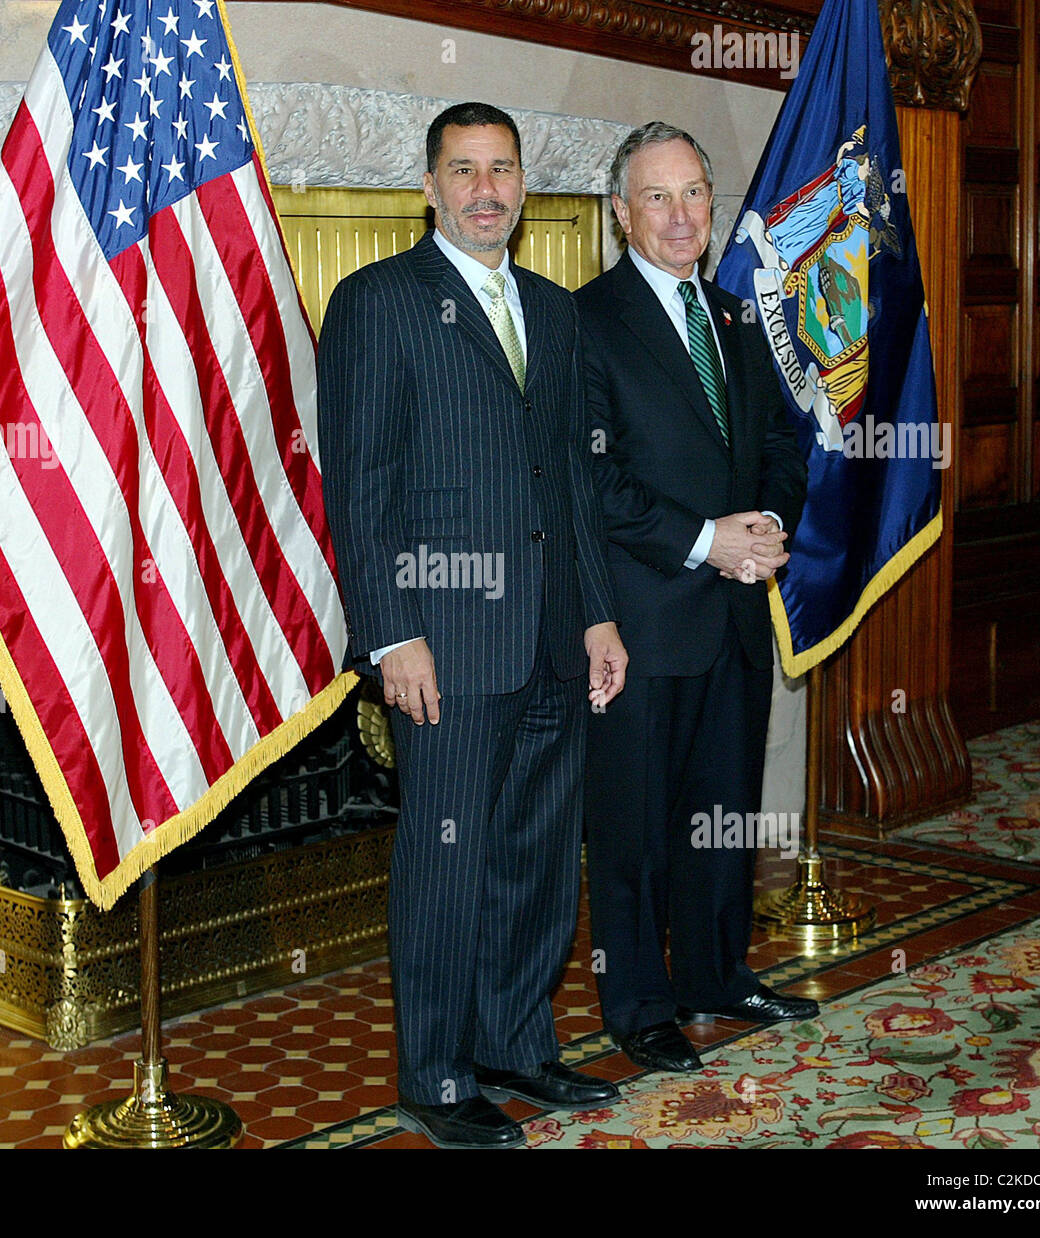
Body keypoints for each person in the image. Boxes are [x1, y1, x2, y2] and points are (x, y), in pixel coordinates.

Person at [317, 102, 629, 1150]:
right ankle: (439, 1075)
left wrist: (596, 615)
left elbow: (575, 486)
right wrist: (387, 631)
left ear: (524, 185)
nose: (484, 189)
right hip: (442, 645)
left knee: (538, 852)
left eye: (501, 169)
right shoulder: (377, 302)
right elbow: (358, 485)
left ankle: (515, 1043)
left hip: (549, 636)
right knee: (447, 858)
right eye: (463, 170)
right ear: (429, 187)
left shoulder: (555, 308)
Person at [576, 123, 818, 1076]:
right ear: (621, 213)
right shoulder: (586, 320)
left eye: (695, 195)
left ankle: (717, 975)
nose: (682, 217)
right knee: (635, 827)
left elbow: (784, 450)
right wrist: (706, 541)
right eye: (659, 198)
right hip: (640, 623)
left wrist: (762, 524)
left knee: (724, 808)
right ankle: (638, 1005)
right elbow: (594, 482)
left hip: (732, 618)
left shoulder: (738, 316)